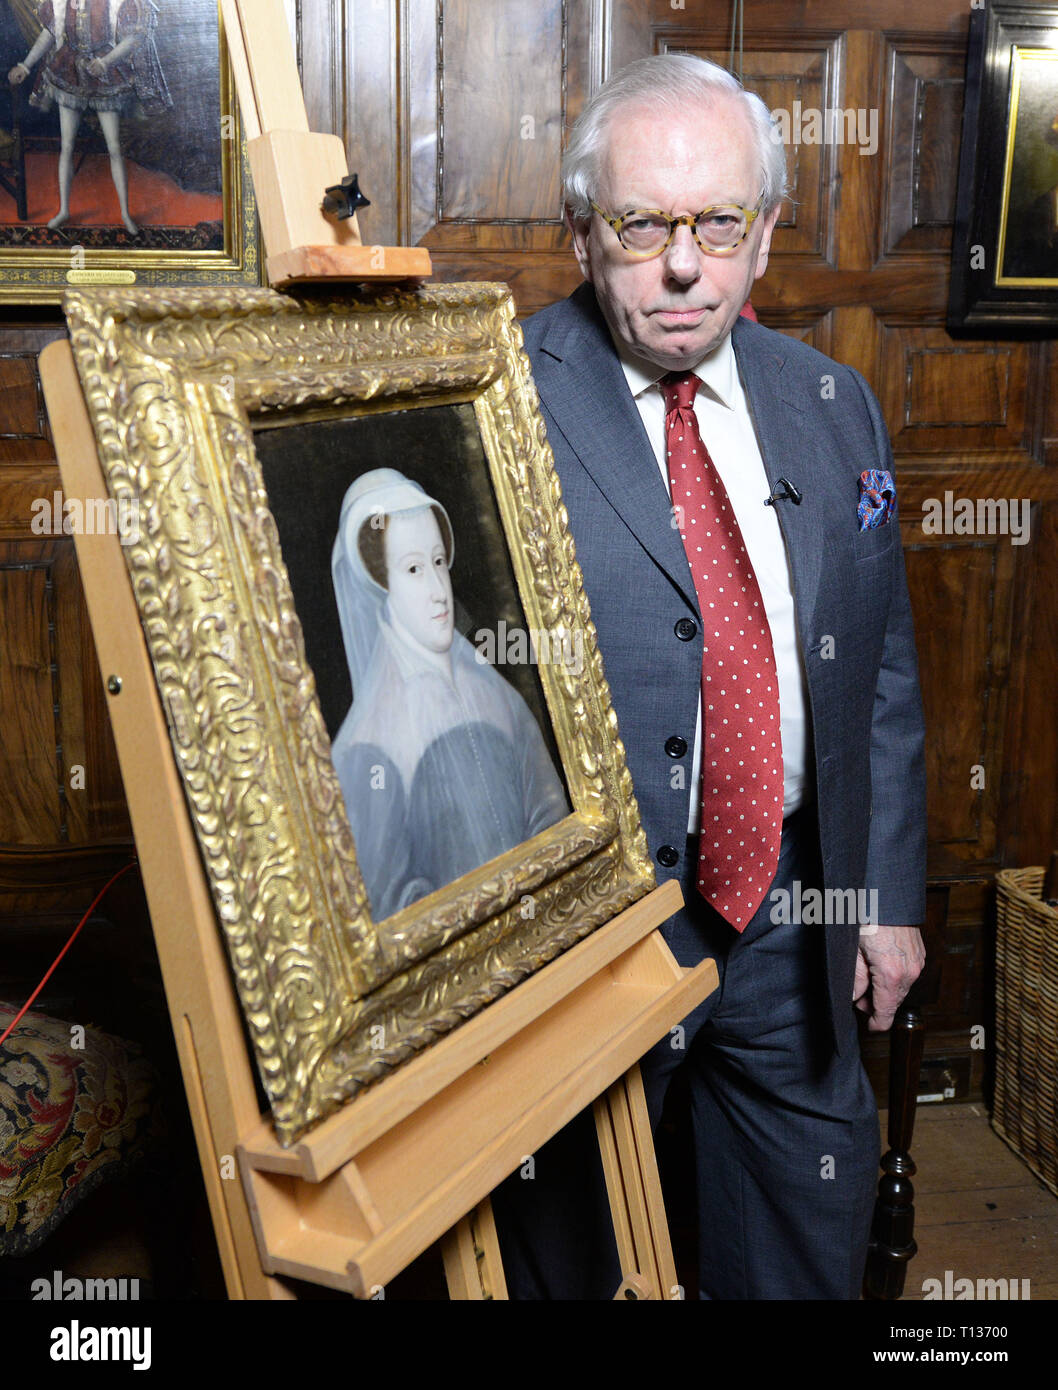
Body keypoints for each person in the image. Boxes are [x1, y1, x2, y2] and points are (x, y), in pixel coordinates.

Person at [490, 53, 927, 1300]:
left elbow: (879, 662)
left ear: (765, 230)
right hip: (588, 930)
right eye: (640, 225)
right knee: (566, 1252)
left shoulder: (832, 401)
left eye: (717, 223)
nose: (683, 266)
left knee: (802, 1234)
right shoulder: (499, 402)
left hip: (797, 911)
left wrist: (882, 894)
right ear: (583, 232)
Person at [330, 468, 568, 922]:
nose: (439, 591)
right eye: (414, 569)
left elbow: (554, 821)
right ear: (380, 584)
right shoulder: (367, 746)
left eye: (439, 563)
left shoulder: (496, 695)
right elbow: (395, 915)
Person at [8, 0, 172, 233]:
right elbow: (49, 33)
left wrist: (106, 62)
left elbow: (133, 38)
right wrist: (25, 65)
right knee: (67, 146)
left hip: (105, 67)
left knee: (114, 148)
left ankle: (125, 213)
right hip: (69, 68)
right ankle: (64, 209)